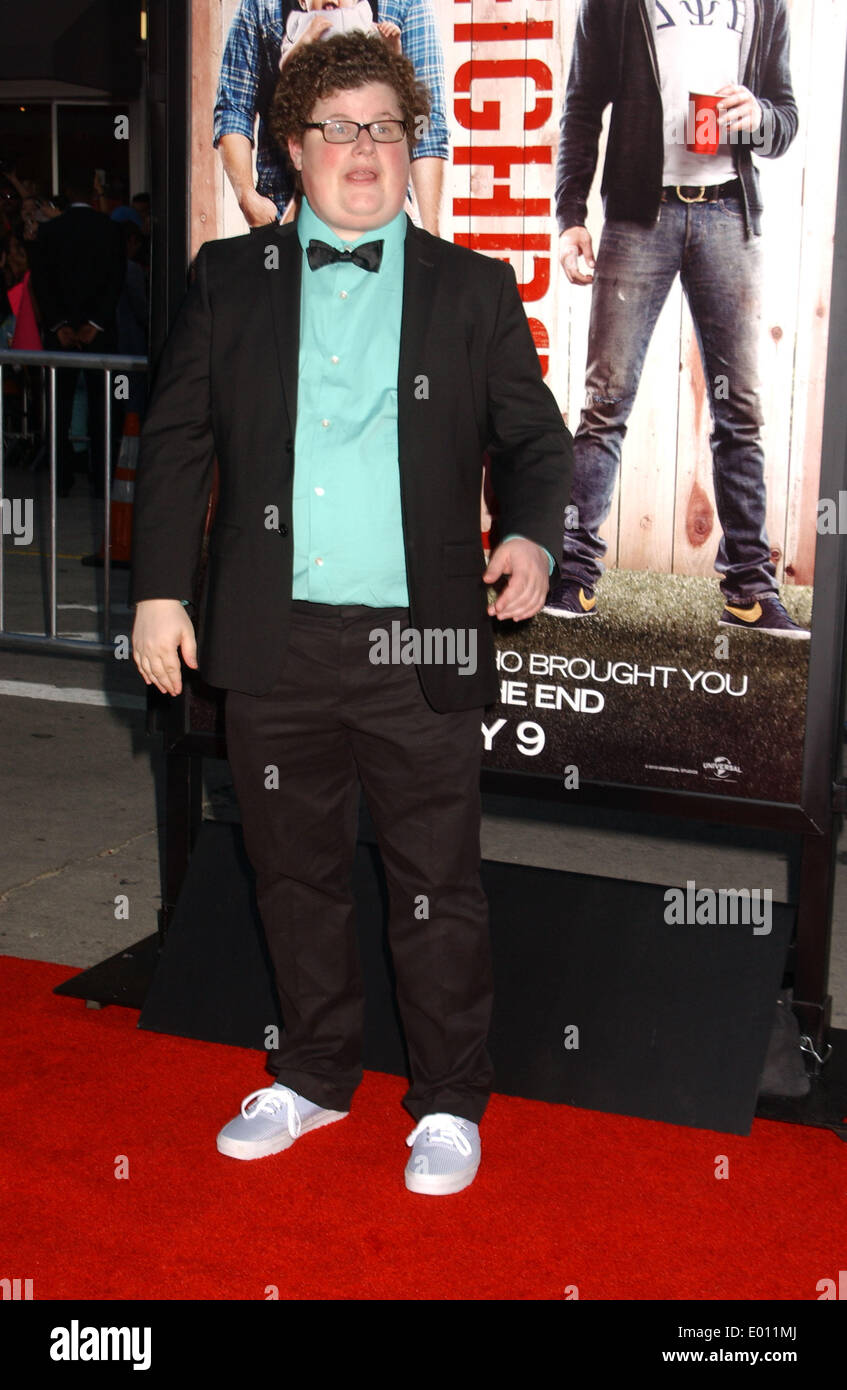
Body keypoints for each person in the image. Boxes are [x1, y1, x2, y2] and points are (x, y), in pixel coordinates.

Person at [131, 32, 572, 1195]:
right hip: (273, 643)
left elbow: (535, 440)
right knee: (294, 875)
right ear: (292, 149)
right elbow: (175, 441)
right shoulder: (230, 281)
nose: (362, 151)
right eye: (336, 128)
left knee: (437, 883)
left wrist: (527, 532)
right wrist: (161, 592)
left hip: (417, 641)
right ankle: (318, 1076)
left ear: (408, 145)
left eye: (384, 128)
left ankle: (447, 1099)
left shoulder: (472, 288)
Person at [545, 0, 808, 638]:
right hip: (639, 217)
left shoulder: (765, 4)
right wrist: (570, 215)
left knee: (739, 411)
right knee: (606, 402)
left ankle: (749, 587)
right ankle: (574, 575)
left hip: (729, 216)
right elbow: (581, 107)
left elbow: (787, 117)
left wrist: (760, 118)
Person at [214, 0, 448, 232]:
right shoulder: (265, 8)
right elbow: (235, 106)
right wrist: (247, 198)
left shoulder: (402, 6)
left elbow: (425, 119)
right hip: (287, 197)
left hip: (378, 203)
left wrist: (430, 234)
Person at [28, 169, 124, 496]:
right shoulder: (110, 229)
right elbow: (115, 280)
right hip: (100, 333)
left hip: (62, 332)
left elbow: (41, 283)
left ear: (67, 193)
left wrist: (60, 325)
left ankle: (60, 478)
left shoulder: (49, 232)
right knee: (103, 409)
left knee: (59, 408)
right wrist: (95, 324)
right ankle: (102, 479)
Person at [281, 0, 402, 66]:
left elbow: (391, 66)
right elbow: (285, 67)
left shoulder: (365, 26)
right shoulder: (299, 30)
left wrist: (393, 44)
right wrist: (305, 39)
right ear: (302, 2)